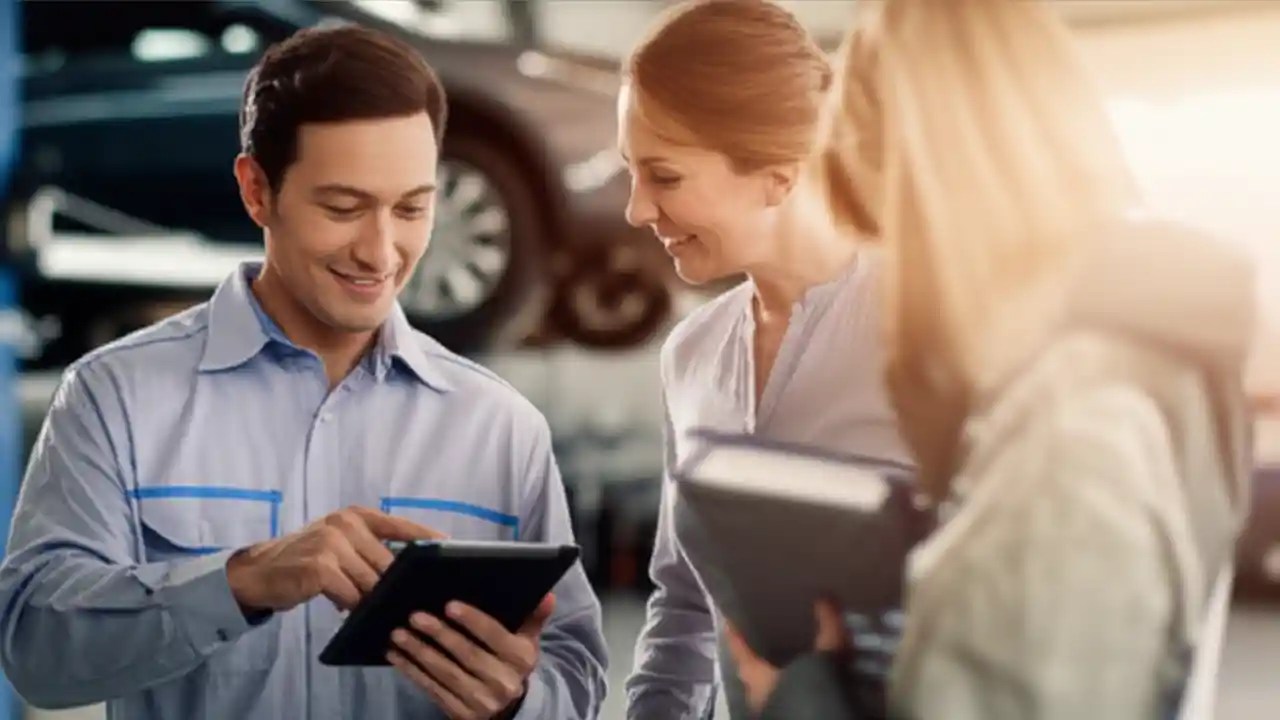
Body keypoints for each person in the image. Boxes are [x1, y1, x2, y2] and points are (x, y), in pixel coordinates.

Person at [0, 25, 607, 720]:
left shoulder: (502, 429)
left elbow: (576, 678)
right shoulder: (117, 398)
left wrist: (518, 701)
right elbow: (34, 652)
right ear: (257, 191)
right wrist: (242, 581)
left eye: (411, 207)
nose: (382, 251)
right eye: (343, 207)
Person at [723, 0, 1257, 718]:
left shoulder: (1069, 437)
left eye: (889, 241)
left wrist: (794, 694)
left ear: (929, 207)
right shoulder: (1153, 371)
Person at [617, 2, 911, 718]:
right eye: (632, 172)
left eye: (664, 176)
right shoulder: (690, 355)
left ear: (778, 176)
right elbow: (684, 606)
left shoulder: (924, 328)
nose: (635, 209)